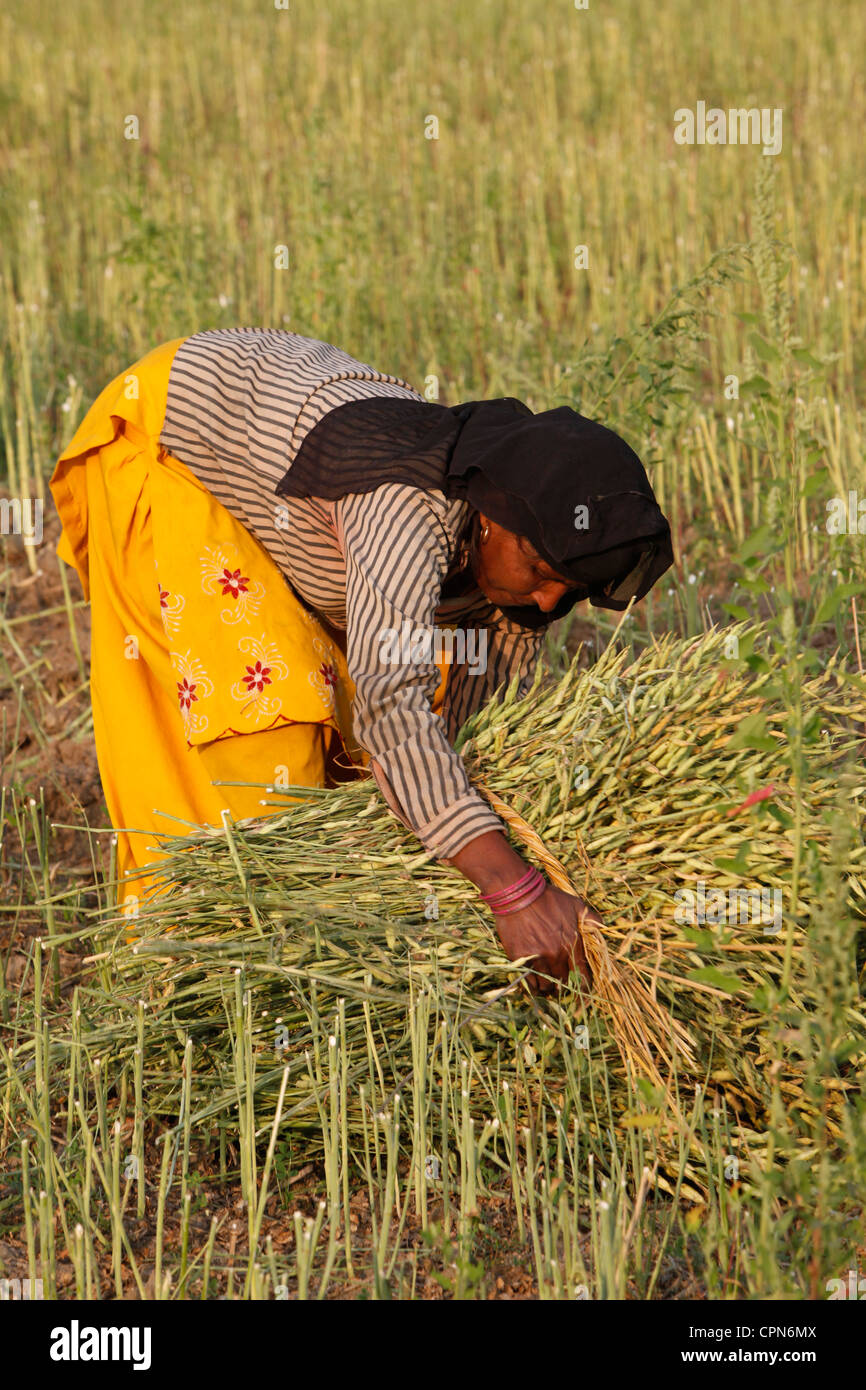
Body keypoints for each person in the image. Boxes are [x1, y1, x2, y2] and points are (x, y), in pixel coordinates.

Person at [50, 327, 674, 993]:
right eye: (542, 572)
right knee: (270, 726)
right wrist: (514, 893)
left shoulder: (520, 553)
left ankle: (281, 961)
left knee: (357, 746)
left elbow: (466, 725)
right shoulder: (405, 506)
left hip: (270, 459)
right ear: (492, 519)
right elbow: (394, 713)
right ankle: (198, 974)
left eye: (569, 591)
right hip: (167, 446)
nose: (550, 601)